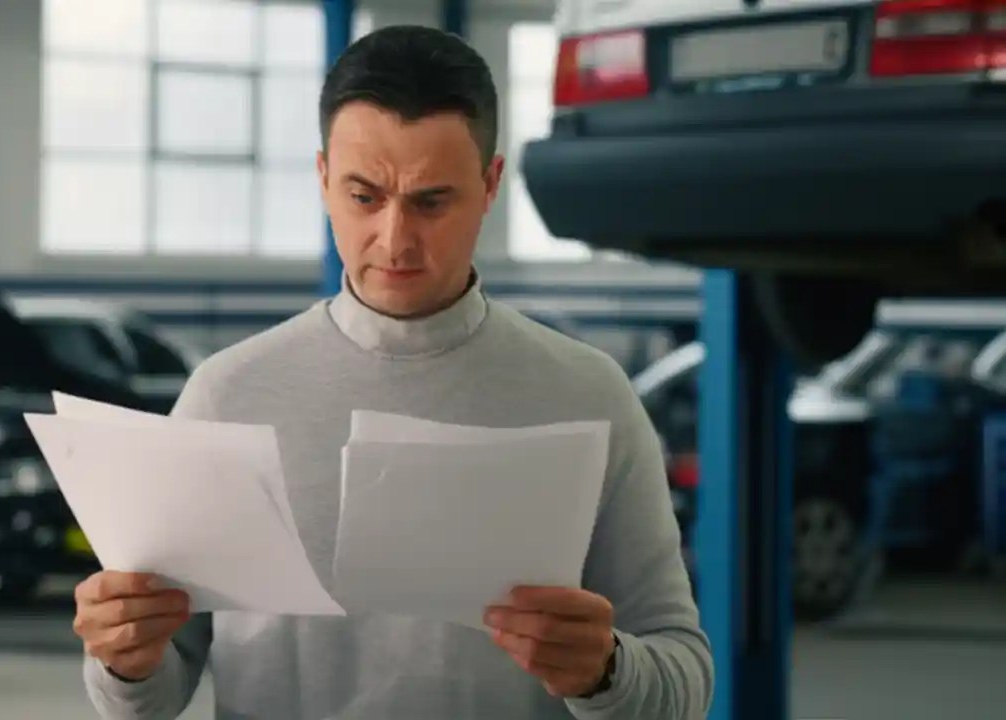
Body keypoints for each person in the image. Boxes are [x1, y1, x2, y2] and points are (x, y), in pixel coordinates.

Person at [72, 25, 713, 719]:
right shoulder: (228, 395)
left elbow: (683, 677)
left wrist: (605, 672)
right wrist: (123, 660)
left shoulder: (588, 394)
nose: (395, 239)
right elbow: (150, 697)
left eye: (430, 201)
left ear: (490, 184)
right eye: (364, 196)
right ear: (323, 180)